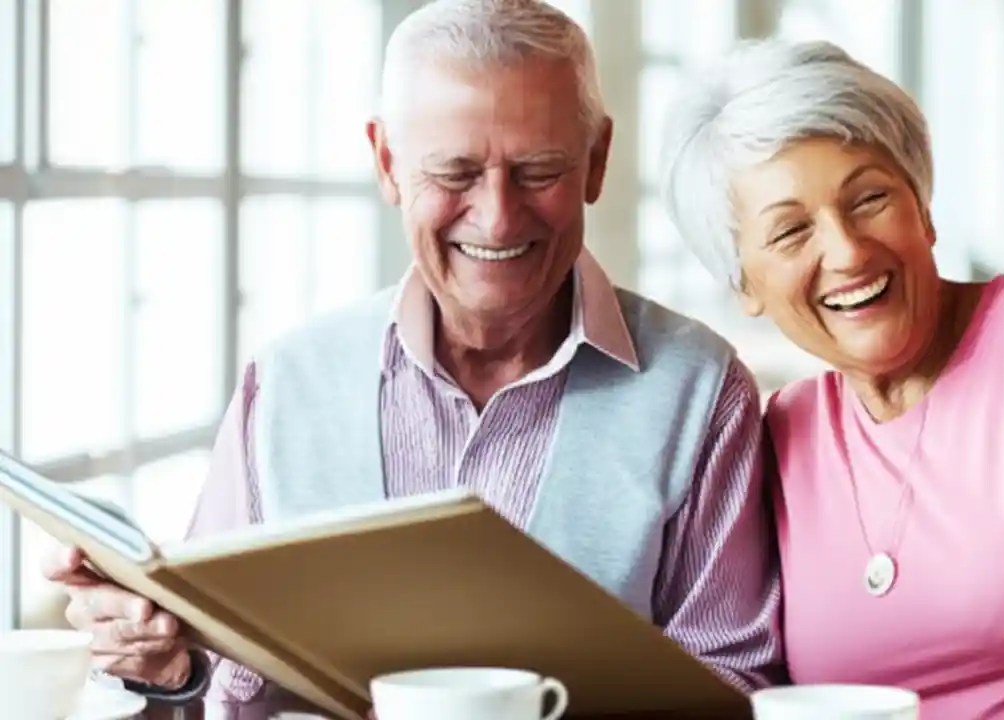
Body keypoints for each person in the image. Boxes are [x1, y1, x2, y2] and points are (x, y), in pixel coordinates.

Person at [41, 2, 782, 716]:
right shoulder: (288, 384)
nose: (496, 216)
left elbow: (733, 685)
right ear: (388, 162)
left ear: (596, 161)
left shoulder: (700, 390)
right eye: (455, 173)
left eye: (539, 171)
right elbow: (220, 683)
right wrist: (165, 664)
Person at [660, 39, 1004, 718]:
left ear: (922, 207)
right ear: (743, 283)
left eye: (869, 198)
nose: (845, 251)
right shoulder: (778, 437)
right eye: (789, 233)